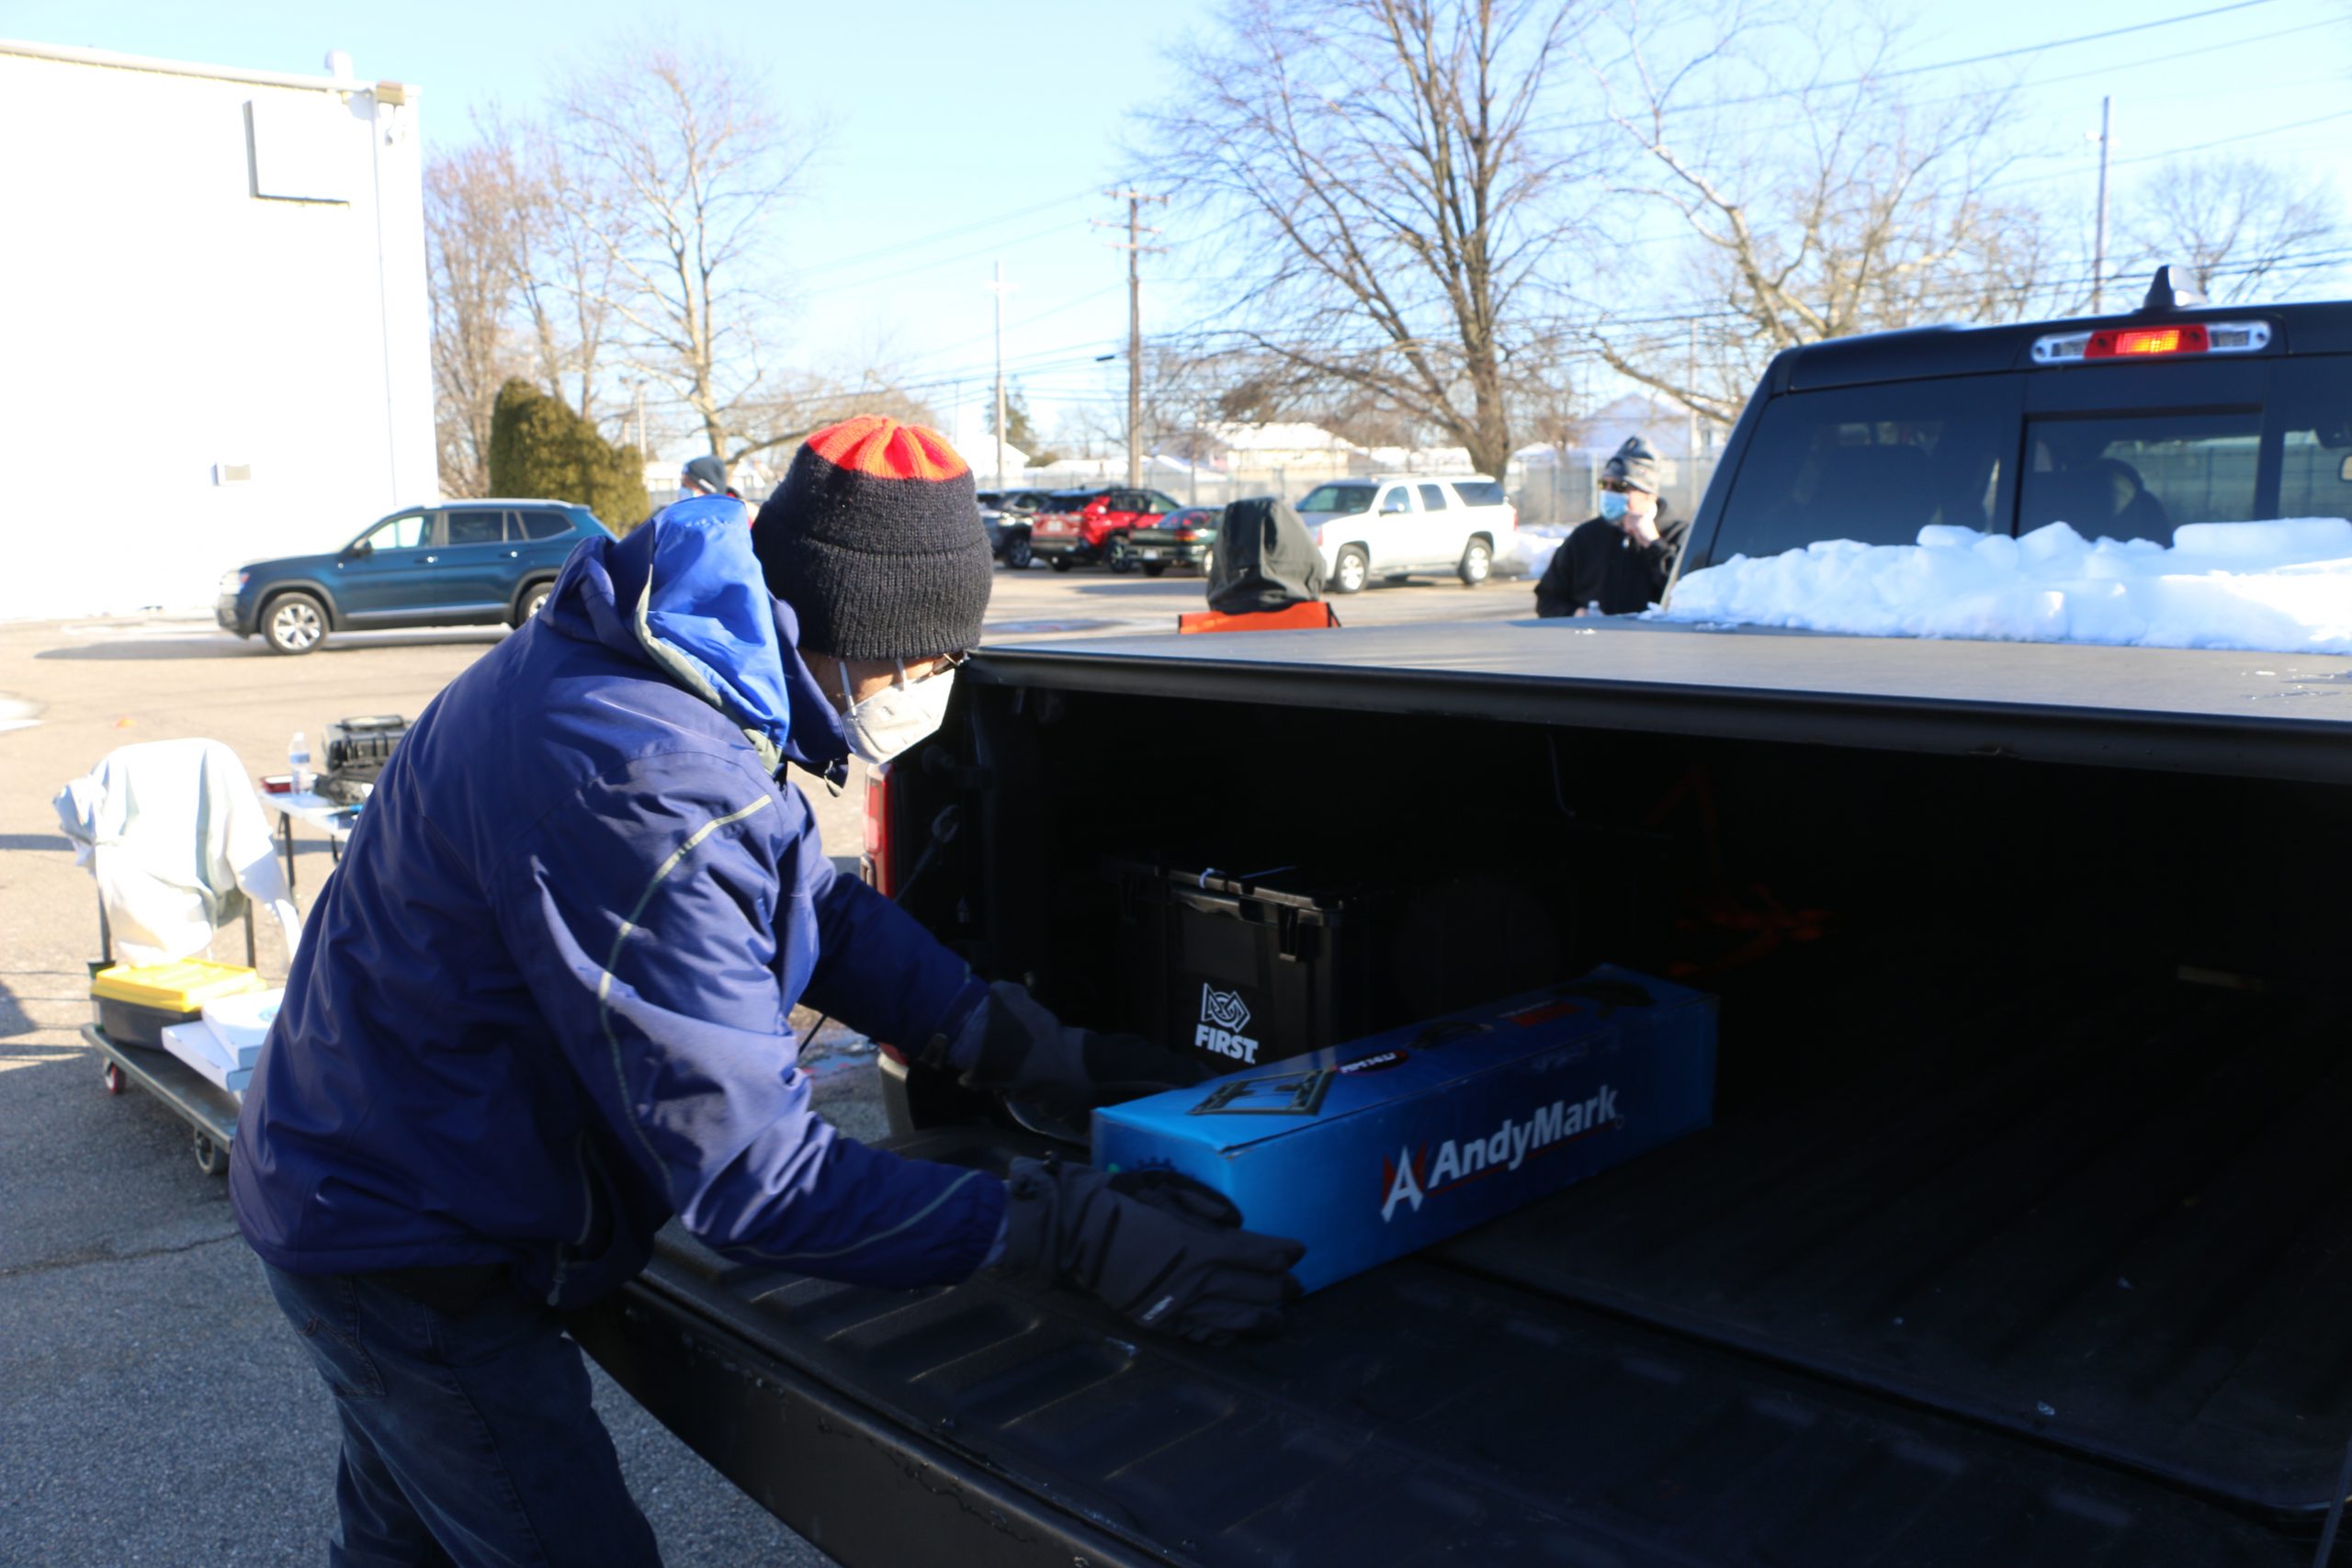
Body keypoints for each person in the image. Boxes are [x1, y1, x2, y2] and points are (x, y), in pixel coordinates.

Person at [232, 414, 1304, 1568]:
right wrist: (1065, 1230)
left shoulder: (671, 669)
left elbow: (810, 905)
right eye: (934, 661)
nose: (937, 688)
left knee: (406, 1548)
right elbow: (757, 1183)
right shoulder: (651, 783)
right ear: (858, 631)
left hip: (362, 1159)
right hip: (414, 1242)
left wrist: (1016, 1044)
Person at [1534, 435, 1687, 617]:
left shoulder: (1680, 535)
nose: (1608, 492)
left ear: (1648, 493)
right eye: (1603, 484)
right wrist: (1577, 614)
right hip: (1595, 642)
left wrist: (1653, 544)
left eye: (1619, 486)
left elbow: (1686, 594)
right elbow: (1547, 599)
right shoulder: (1586, 537)